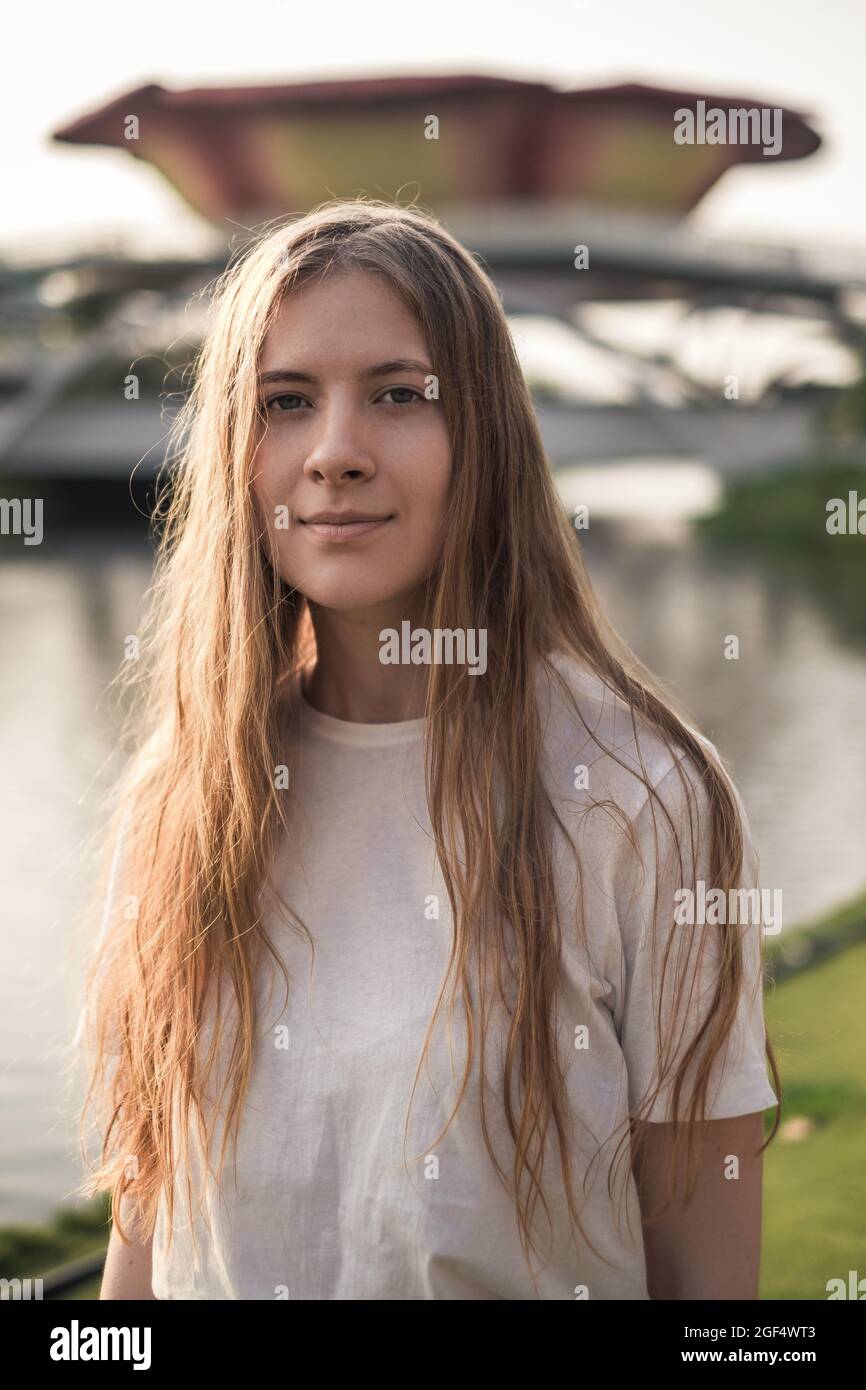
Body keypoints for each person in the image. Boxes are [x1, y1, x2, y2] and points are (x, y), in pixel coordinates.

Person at [76, 197, 779, 1301]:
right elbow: (145, 1242)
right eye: (286, 402)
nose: (336, 453)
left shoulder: (643, 794)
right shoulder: (180, 797)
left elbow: (708, 1287)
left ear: (485, 435)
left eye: (400, 396)